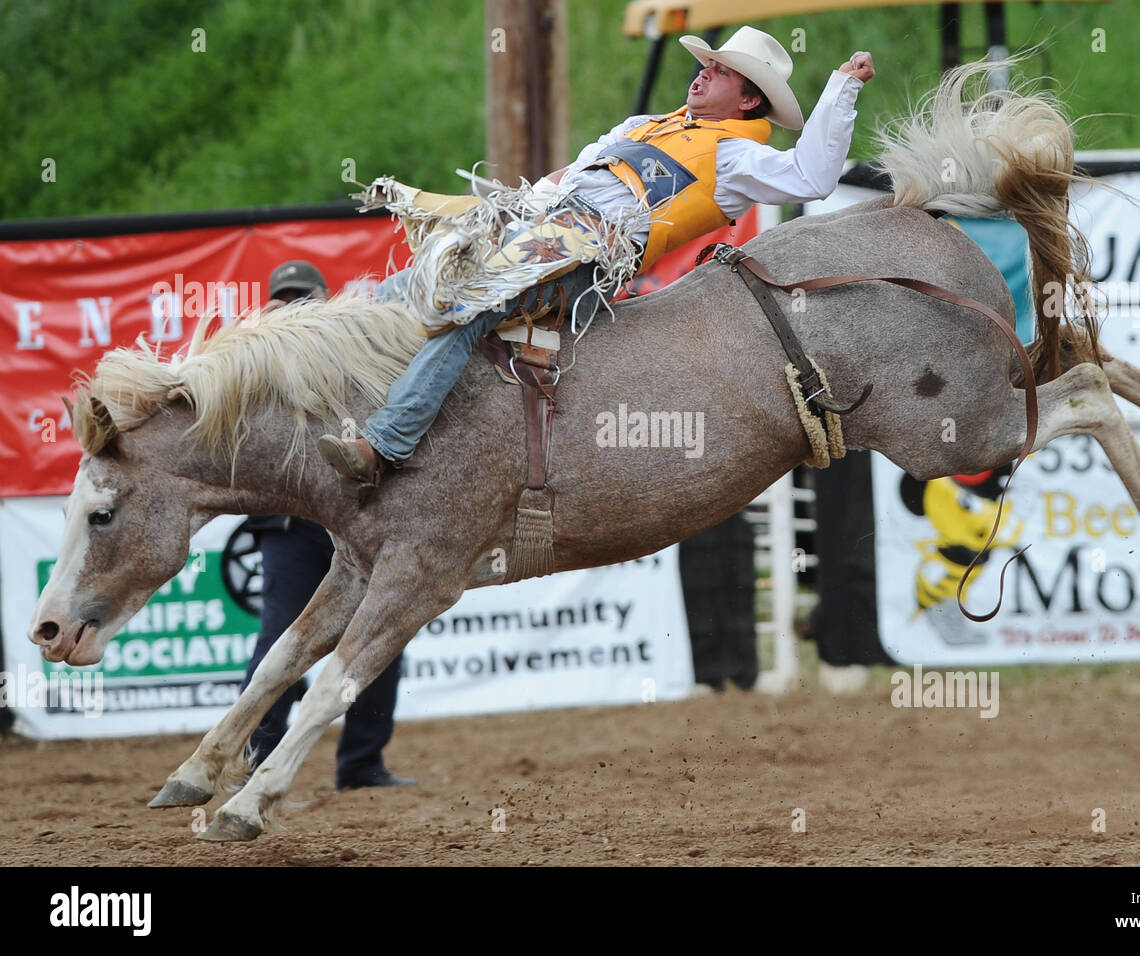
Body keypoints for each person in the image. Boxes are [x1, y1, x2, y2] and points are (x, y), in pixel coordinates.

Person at [318, 26, 876, 500]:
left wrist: (842, 87)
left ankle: (383, 447)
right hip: (537, 232)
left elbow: (812, 177)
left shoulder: (738, 158)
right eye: (705, 64)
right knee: (410, 287)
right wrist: (517, 213)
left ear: (749, 101)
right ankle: (319, 361)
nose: (701, 74)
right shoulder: (640, 127)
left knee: (472, 309)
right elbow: (568, 175)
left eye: (721, 72)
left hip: (588, 262)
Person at [242, 260, 416, 790]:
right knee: (281, 640)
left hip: (356, 514)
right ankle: (252, 755)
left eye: (306, 298)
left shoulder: (349, 347)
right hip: (292, 523)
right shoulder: (252, 357)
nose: (298, 308)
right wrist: (255, 334)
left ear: (327, 298)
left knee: (382, 638)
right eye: (287, 300)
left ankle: (361, 764)